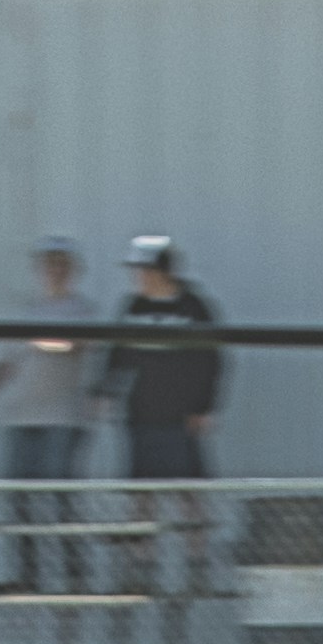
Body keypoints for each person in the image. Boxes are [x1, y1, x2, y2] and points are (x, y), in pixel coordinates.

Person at [0, 237, 99, 596]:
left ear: (73, 270)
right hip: (20, 417)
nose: (55, 271)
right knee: (18, 496)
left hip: (63, 418)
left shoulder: (82, 311)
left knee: (60, 494)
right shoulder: (26, 311)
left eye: (62, 264)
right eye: (48, 264)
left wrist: (38, 342)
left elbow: (75, 347)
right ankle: (28, 573)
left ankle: (75, 574)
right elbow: (6, 361)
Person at [107, 234, 227, 599]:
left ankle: (198, 566)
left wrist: (204, 407)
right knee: (142, 494)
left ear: (161, 270)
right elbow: (116, 355)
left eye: (143, 269)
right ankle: (142, 567)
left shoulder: (194, 307)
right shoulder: (133, 307)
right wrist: (104, 390)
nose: (138, 277)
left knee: (188, 491)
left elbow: (214, 361)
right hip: (142, 414)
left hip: (181, 417)